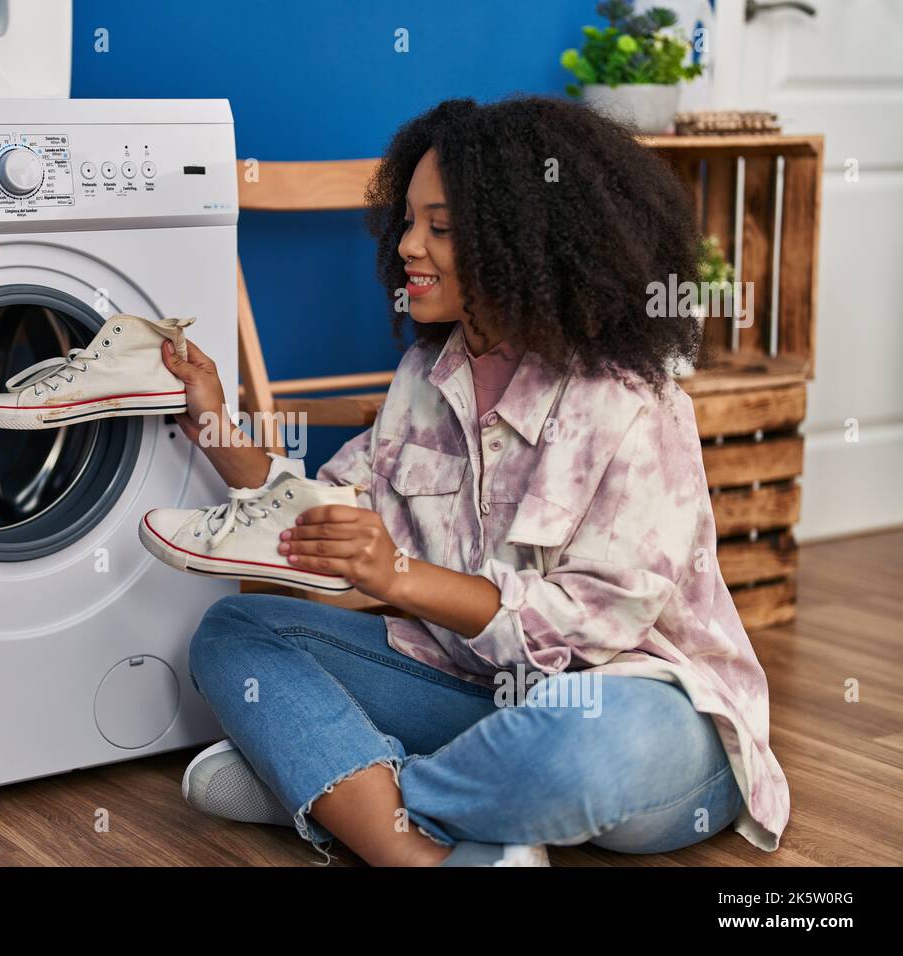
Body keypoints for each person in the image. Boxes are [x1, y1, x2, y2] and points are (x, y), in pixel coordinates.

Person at [158, 96, 790, 866]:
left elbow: (584, 631)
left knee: (586, 740)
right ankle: (426, 854)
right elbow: (323, 517)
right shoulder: (428, 375)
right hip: (469, 692)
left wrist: (397, 573)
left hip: (638, 710)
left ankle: (345, 790)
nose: (409, 246)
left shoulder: (634, 403)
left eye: (443, 227)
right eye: (408, 221)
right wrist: (215, 424)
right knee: (235, 633)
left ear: (525, 240)